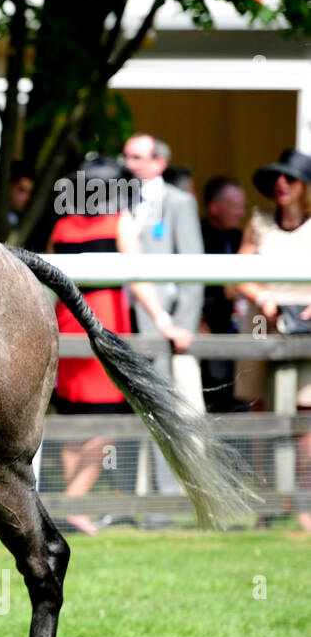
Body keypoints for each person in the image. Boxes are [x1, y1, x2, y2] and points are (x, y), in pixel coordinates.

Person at [47, 157, 194, 535]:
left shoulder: (62, 226)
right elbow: (138, 277)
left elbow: (48, 280)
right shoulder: (119, 223)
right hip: (103, 322)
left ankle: (71, 508)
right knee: (110, 421)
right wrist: (162, 319)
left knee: (75, 420)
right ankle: (72, 505)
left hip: (66, 322)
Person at [232, 149, 311, 532]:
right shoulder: (259, 223)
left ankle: (303, 504)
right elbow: (238, 275)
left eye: (291, 179)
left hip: (306, 329)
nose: (282, 185)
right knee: (263, 416)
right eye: (278, 178)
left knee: (305, 419)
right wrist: (263, 296)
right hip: (264, 325)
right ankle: (266, 505)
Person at [122, 133, 205, 496]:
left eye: (138, 157)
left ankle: (166, 498)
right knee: (132, 410)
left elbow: (193, 271)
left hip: (164, 325)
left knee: (164, 409)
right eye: (127, 157)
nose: (130, 164)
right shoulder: (118, 201)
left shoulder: (179, 203)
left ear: (159, 162)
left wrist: (181, 328)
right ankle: (134, 496)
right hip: (123, 320)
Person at [198, 176, 246, 414]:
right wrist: (198, 319)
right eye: (236, 206)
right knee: (214, 398)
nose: (241, 212)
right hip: (209, 332)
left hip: (241, 330)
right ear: (215, 207)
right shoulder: (198, 238)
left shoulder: (240, 238)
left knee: (241, 395)